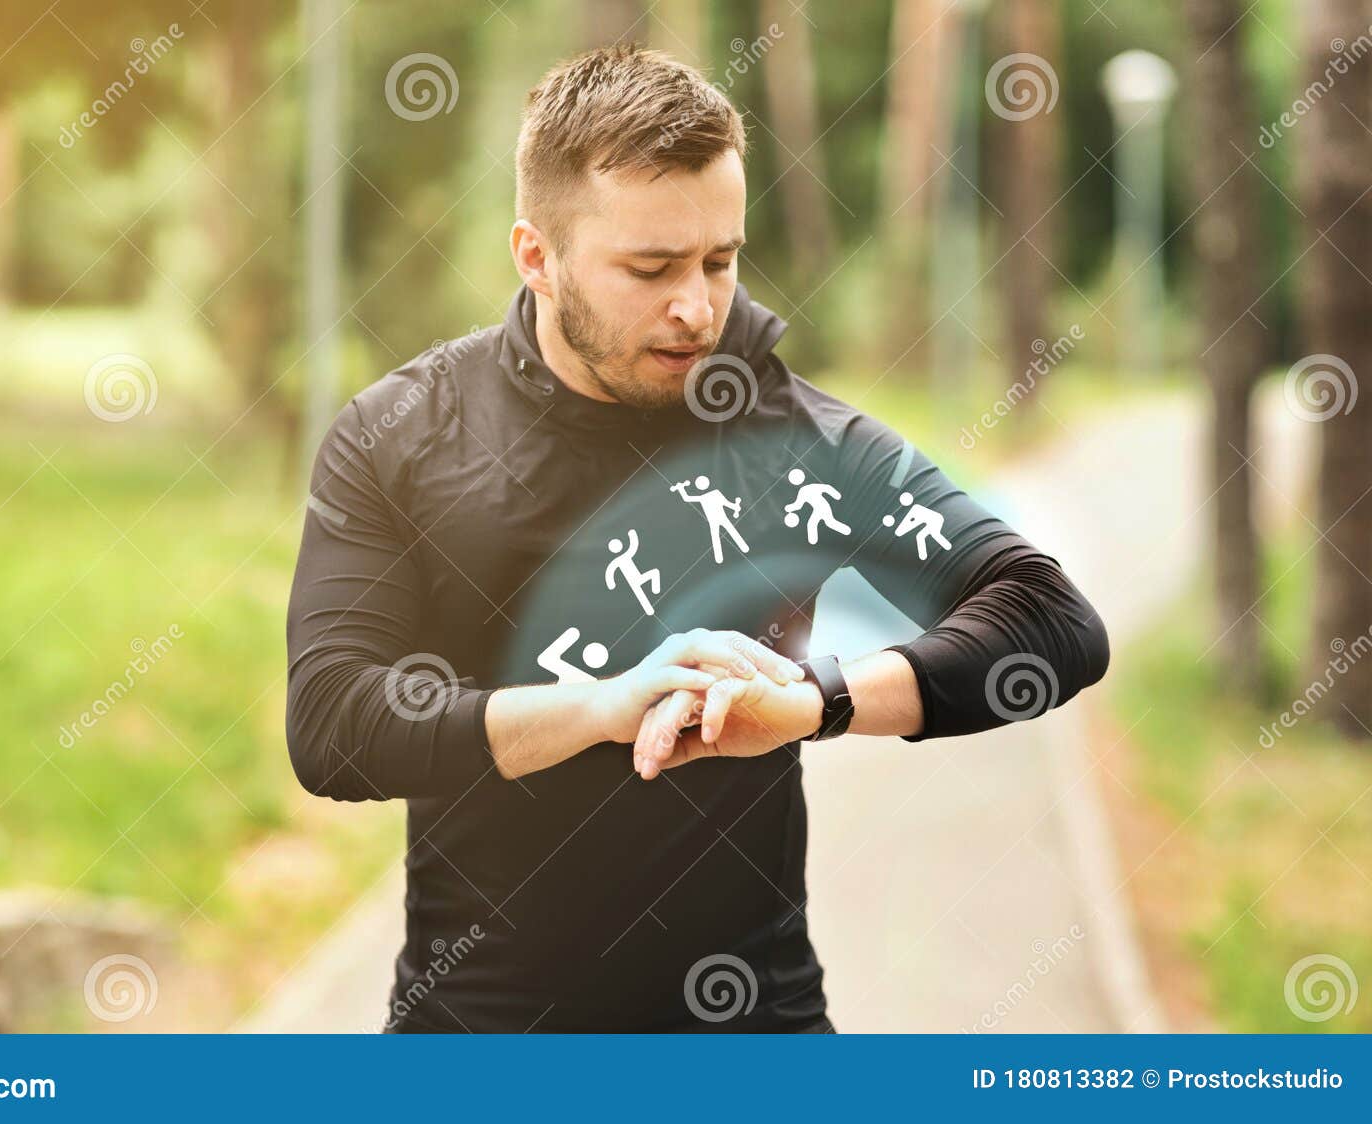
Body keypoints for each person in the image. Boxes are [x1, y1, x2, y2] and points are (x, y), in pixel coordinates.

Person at [286, 44, 1109, 1033]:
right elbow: (333, 724)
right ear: (536, 256)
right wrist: (599, 707)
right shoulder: (403, 435)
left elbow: (1050, 618)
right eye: (651, 267)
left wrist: (815, 701)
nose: (697, 305)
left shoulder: (796, 438)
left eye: (720, 259)